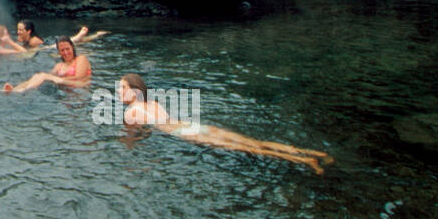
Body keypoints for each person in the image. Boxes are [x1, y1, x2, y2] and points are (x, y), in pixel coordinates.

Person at [115, 73, 335, 174]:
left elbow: (134, 141)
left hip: (187, 134)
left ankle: (307, 162)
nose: (119, 92)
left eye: (122, 88)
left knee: (247, 149)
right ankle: (309, 152)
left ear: (133, 90)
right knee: (256, 142)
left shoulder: (131, 112)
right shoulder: (152, 102)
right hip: (195, 126)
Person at [2, 36, 92, 92]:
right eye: (62, 50)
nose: (65, 52)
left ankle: (20, 91)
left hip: (80, 87)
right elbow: (43, 77)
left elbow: (79, 77)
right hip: (67, 93)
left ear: (72, 47)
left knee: (44, 76)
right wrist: (49, 78)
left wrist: (57, 79)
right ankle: (16, 89)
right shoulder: (59, 66)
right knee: (40, 75)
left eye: (67, 49)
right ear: (59, 52)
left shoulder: (81, 59)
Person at [0, 22, 109, 56]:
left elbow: (24, 51)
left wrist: (11, 42)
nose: (9, 36)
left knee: (56, 46)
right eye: (6, 35)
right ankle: (95, 35)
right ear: (0, 37)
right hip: (41, 48)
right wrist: (11, 43)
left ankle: (84, 36)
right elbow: (24, 52)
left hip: (46, 45)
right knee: (73, 44)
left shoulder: (2, 46)